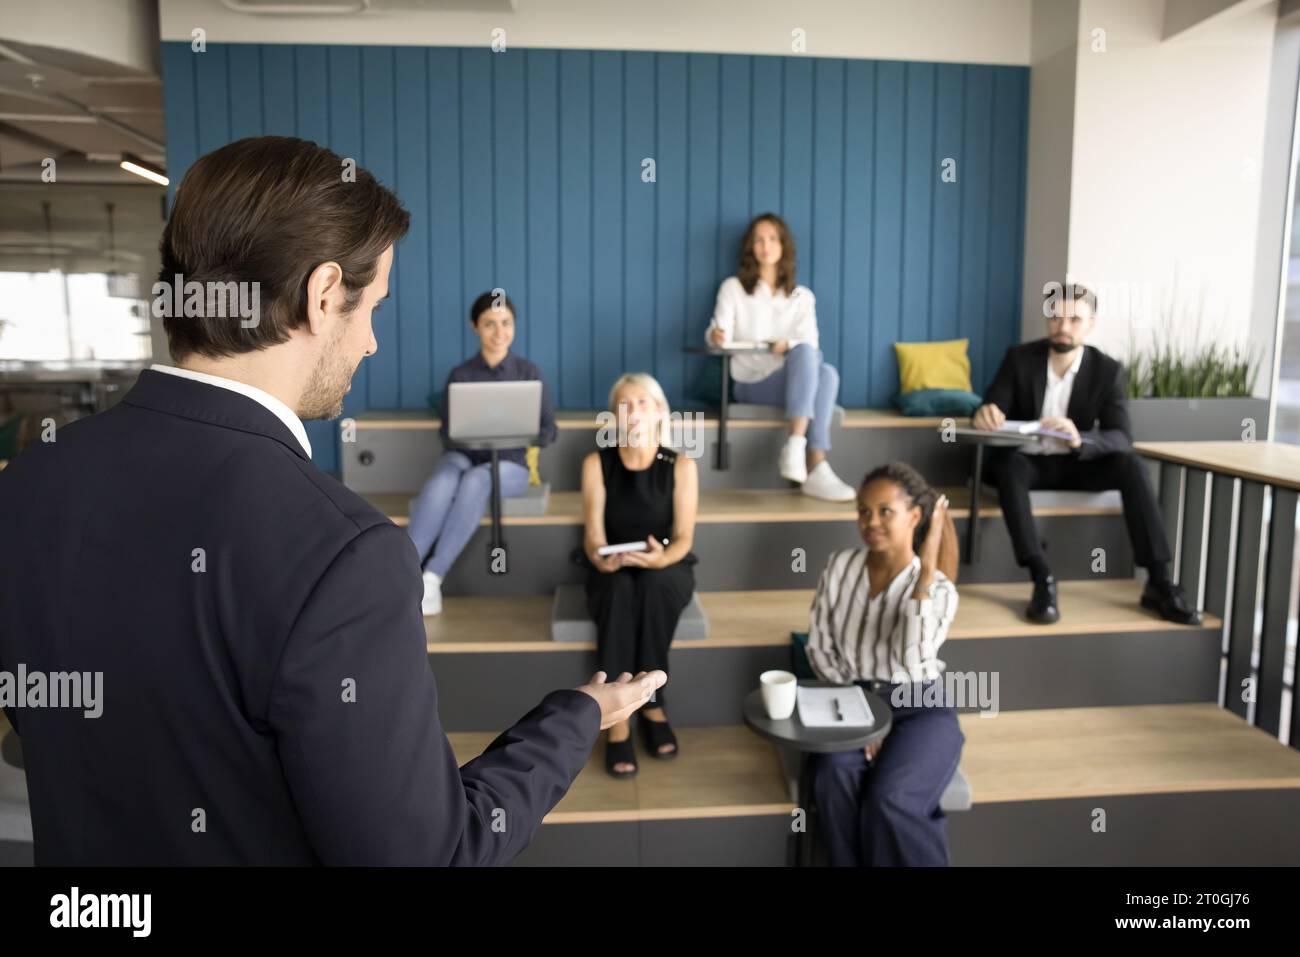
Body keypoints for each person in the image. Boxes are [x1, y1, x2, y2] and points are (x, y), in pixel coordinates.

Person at [0, 135, 663, 865]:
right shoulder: (345, 557)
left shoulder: (31, 482)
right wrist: (577, 716)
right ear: (322, 297)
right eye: (373, 306)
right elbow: (433, 855)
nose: (373, 341)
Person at [972, 283, 1200, 626]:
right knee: (1008, 466)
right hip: (1028, 463)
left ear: (1091, 324)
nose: (1063, 326)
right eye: (1056, 317)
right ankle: (1041, 576)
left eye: (1074, 319)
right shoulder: (1019, 358)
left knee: (1132, 465)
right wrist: (986, 412)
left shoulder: (1107, 370)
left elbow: (1121, 436)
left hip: (1078, 461)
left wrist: (1081, 438)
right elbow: (992, 405)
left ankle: (1159, 581)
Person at [805, 462, 964, 867]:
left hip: (920, 708)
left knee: (890, 799)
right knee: (831, 772)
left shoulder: (940, 591)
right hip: (850, 700)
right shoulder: (839, 567)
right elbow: (820, 648)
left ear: (915, 517)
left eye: (884, 511)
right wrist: (864, 716)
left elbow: (912, 664)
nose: (870, 521)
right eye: (863, 511)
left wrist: (925, 577)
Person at [579, 373, 699, 778]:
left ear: (660, 411)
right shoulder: (597, 463)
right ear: (614, 415)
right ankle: (618, 718)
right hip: (611, 568)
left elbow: (683, 539)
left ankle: (652, 701)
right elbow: (594, 537)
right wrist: (602, 559)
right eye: (624, 404)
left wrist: (659, 559)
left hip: (665, 567)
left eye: (643, 402)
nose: (633, 412)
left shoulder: (680, 465)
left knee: (653, 585)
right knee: (616, 589)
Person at [408, 291, 557, 615]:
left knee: (477, 480)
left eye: (506, 323)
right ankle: (403, 571)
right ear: (475, 326)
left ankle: (432, 577)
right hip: (464, 454)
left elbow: (549, 430)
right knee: (444, 479)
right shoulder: (460, 375)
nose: (499, 331)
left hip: (510, 463)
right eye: (490, 324)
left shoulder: (529, 373)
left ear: (514, 325)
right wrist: (472, 435)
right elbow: (446, 433)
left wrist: (520, 433)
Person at [706, 212, 856, 502]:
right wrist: (716, 335)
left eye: (773, 239)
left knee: (824, 371)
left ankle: (804, 453)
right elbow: (717, 330)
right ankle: (811, 458)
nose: (766, 245)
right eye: (759, 240)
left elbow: (810, 343)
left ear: (784, 245)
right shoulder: (733, 288)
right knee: (818, 367)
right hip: (749, 381)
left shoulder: (802, 296)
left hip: (792, 378)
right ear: (750, 247)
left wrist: (788, 343)